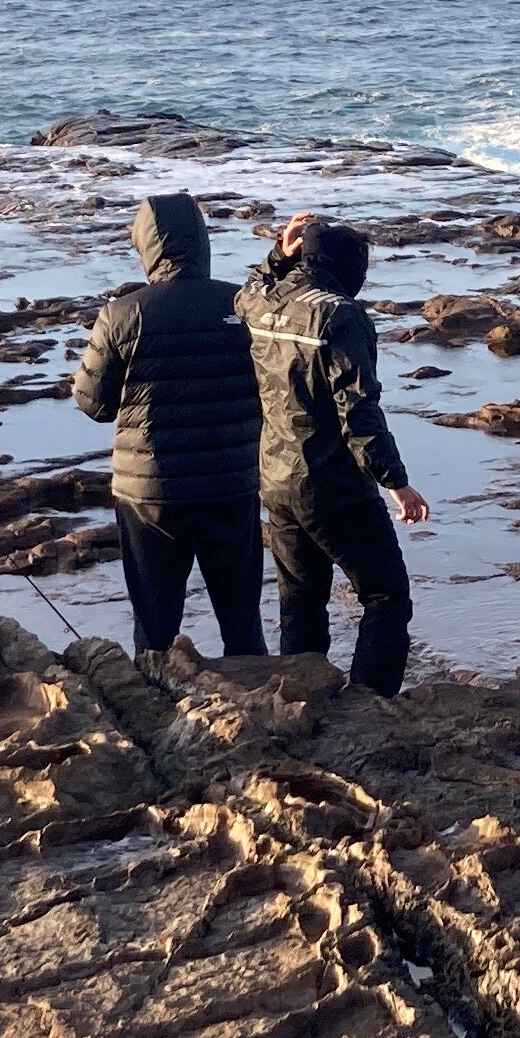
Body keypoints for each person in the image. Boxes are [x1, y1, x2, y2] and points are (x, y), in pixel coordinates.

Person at [68, 191, 265, 663]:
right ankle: (260, 711)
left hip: (149, 494)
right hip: (232, 482)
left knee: (155, 625)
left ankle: (155, 707)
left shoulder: (122, 314)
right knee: (242, 621)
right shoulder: (242, 305)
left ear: (147, 247)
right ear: (201, 241)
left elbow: (93, 404)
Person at [239, 219, 432, 692]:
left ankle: (300, 697)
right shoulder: (341, 316)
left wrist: (278, 255)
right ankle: (370, 702)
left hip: (277, 478)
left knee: (300, 600)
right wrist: (396, 483)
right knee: (386, 594)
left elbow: (247, 290)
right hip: (333, 483)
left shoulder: (265, 303)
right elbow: (358, 411)